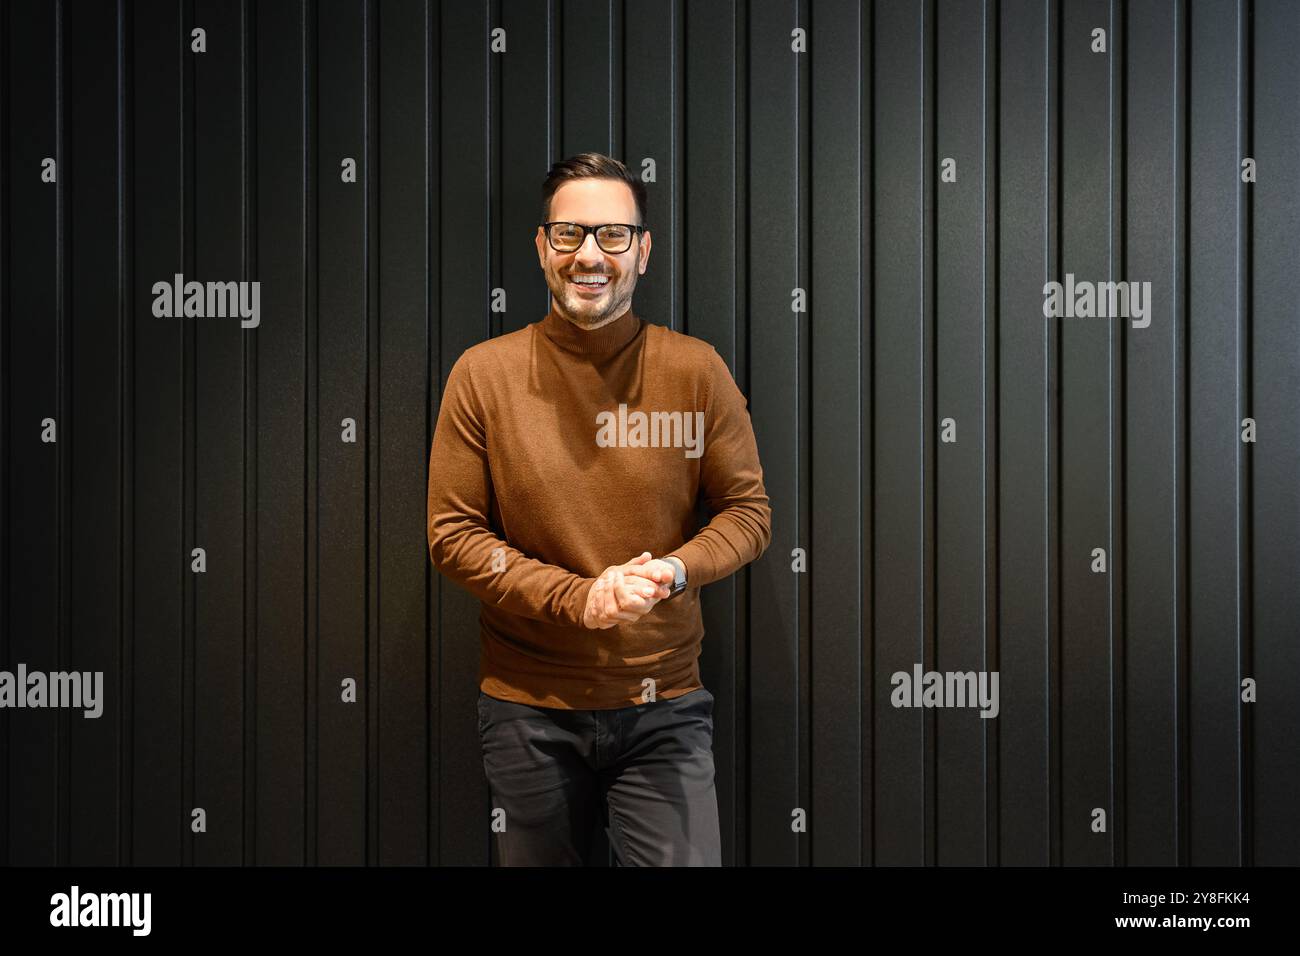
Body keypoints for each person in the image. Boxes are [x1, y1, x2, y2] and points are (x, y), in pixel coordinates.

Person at [426, 152, 771, 866]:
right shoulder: (481, 375)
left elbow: (747, 513)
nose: (590, 255)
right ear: (541, 248)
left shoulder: (696, 369)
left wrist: (673, 572)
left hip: (665, 707)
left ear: (642, 252)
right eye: (569, 235)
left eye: (614, 236)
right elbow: (453, 535)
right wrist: (575, 599)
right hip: (527, 709)